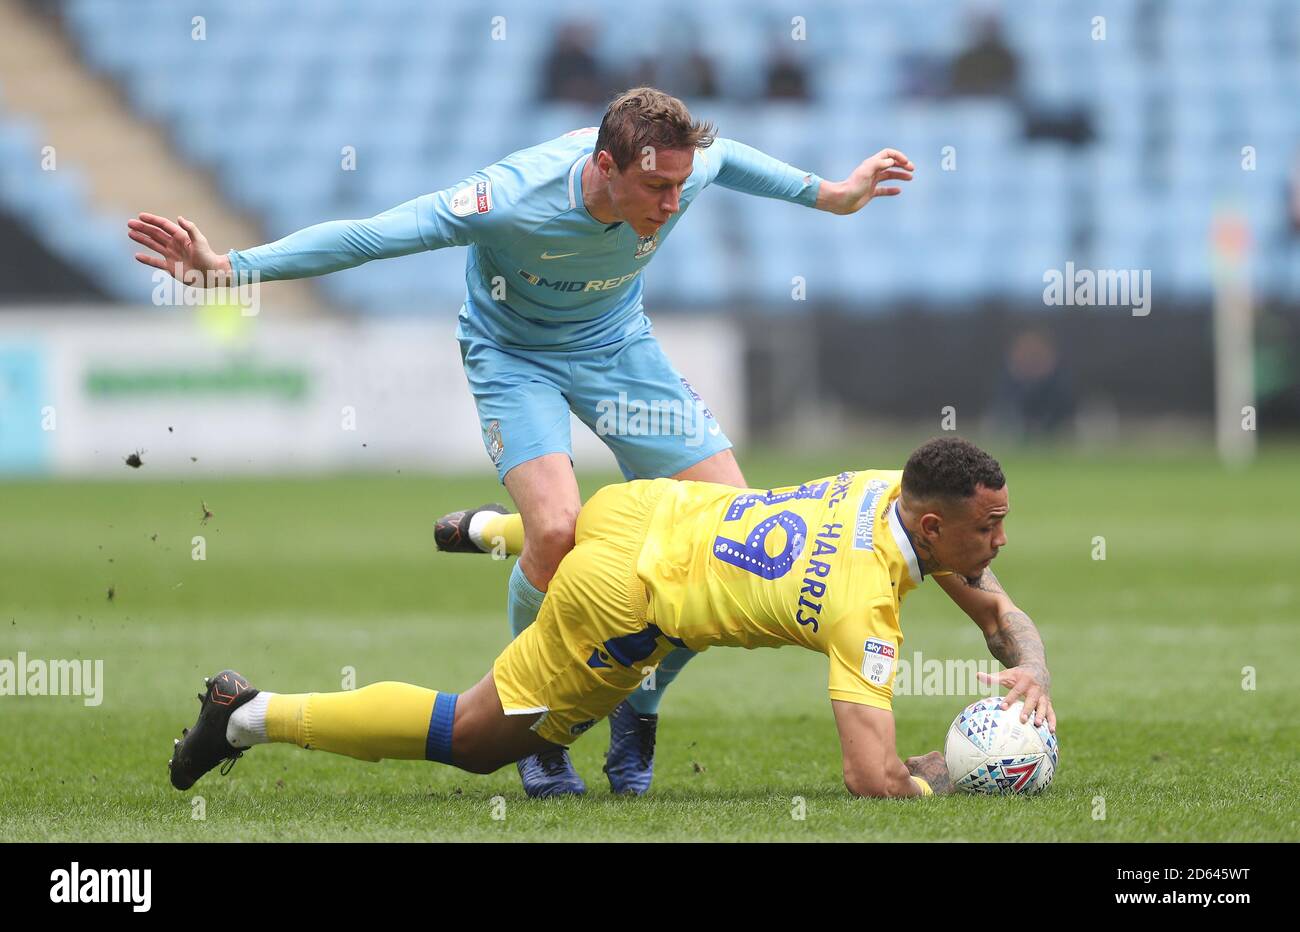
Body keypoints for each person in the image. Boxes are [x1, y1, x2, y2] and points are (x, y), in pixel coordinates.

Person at [130, 86, 916, 798]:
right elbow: (377, 235)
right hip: (517, 359)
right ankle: (541, 734)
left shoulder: (682, 170)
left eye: (681, 184)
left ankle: (637, 705)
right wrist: (234, 268)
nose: (674, 202)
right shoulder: (508, 198)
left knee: (735, 538)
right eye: (656, 187)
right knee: (556, 532)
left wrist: (835, 195)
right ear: (604, 166)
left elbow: (730, 157)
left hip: (618, 350)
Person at [169, 437, 1055, 800]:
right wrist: (942, 773)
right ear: (933, 525)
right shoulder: (862, 608)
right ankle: (246, 713)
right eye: (991, 526)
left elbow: (1002, 618)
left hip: (640, 511)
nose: (1001, 542)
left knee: (596, 532)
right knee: (480, 739)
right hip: (621, 599)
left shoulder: (883, 490)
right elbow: (871, 777)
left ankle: (489, 529)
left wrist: (1034, 674)